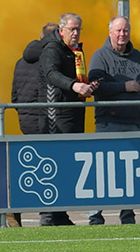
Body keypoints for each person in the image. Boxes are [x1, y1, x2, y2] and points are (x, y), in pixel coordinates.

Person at [86, 17, 140, 225]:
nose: (122, 34)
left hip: (135, 122)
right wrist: (123, 87)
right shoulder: (100, 56)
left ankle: (127, 213)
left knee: (130, 171)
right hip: (109, 122)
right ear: (110, 33)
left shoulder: (138, 57)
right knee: (103, 169)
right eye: (118, 31)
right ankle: (95, 214)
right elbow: (95, 86)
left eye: (125, 31)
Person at [38, 13, 95, 226]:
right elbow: (51, 74)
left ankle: (60, 214)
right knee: (53, 164)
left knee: (66, 166)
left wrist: (86, 86)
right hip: (55, 115)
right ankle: (49, 214)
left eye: (78, 29)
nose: (76, 33)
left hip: (72, 113)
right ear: (61, 31)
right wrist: (73, 85)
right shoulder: (53, 49)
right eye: (72, 29)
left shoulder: (75, 51)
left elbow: (76, 79)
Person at [6, 21, 57, 228]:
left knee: (31, 165)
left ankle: (14, 206)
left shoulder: (21, 61)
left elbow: (14, 95)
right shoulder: (48, 60)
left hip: (25, 119)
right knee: (47, 168)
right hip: (43, 119)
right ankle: (46, 214)